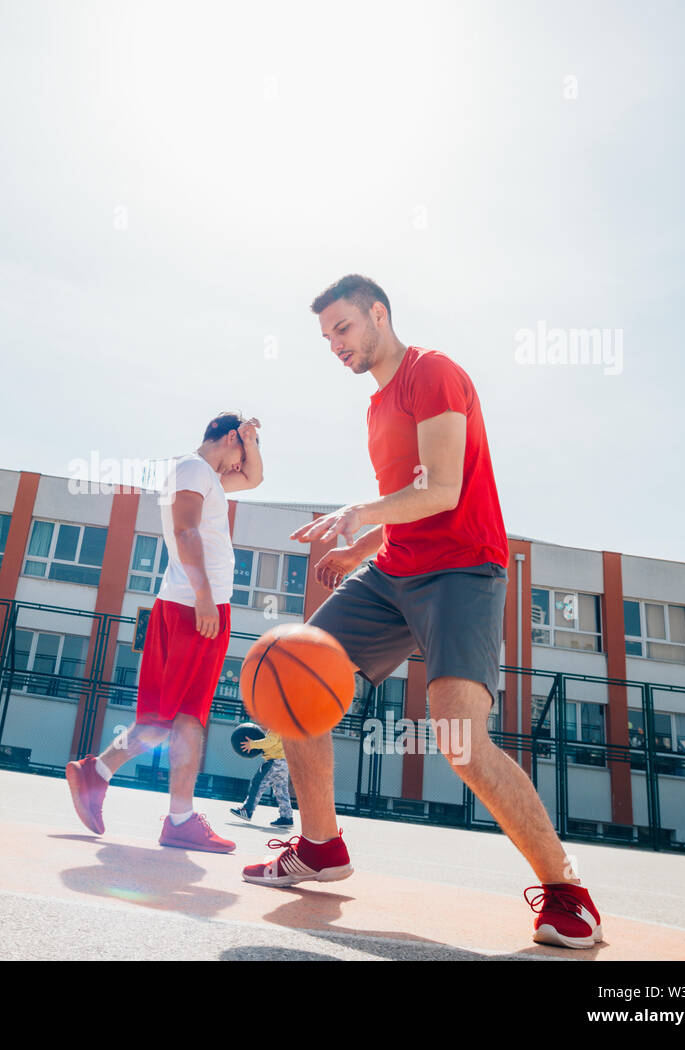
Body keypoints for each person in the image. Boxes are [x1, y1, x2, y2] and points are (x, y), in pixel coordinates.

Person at [241, 275, 603, 950]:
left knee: (460, 744)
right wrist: (365, 548)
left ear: (379, 314)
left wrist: (360, 514)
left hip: (462, 570)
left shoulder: (432, 373)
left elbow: (441, 490)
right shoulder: (376, 408)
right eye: (325, 338)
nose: (335, 346)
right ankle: (320, 845)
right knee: (291, 688)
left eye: (343, 329)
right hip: (394, 572)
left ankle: (566, 891)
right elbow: (409, 501)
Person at [67, 413, 263, 853]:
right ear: (228, 438)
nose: (241, 460)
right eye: (240, 447)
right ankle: (98, 773)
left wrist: (251, 441)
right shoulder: (193, 469)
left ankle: (177, 817)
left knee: (185, 718)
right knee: (167, 719)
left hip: (193, 604)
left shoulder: (204, 475)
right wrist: (205, 597)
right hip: (192, 606)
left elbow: (253, 479)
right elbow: (185, 528)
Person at [231, 729, 294, 827]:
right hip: (283, 762)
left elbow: (270, 742)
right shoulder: (282, 725)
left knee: (257, 784)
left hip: (273, 762)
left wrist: (252, 744)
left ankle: (247, 810)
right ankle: (287, 817)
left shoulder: (276, 725)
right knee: (281, 790)